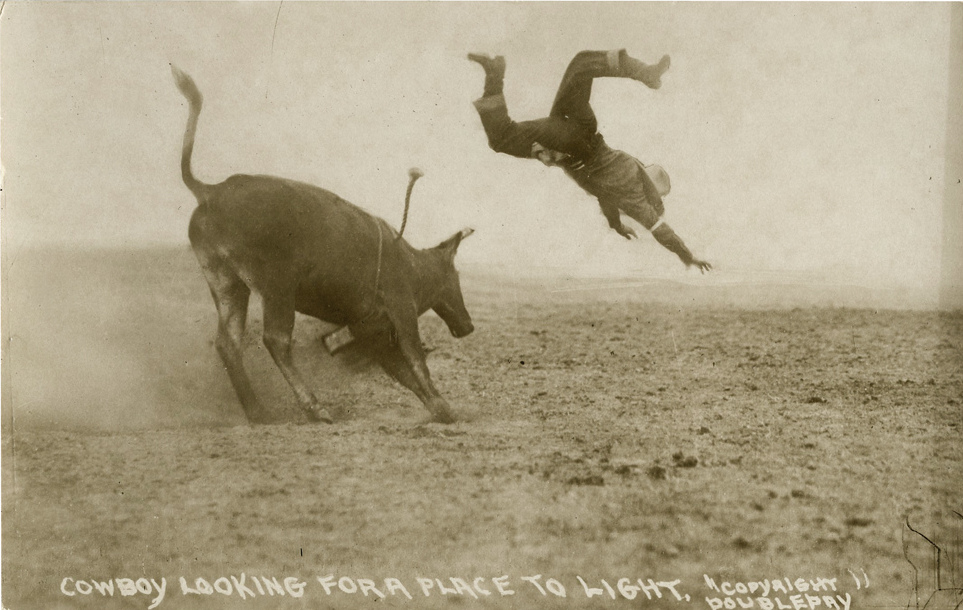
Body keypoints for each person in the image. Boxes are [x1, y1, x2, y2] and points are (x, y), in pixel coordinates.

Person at [469, 50, 712, 273]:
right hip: (575, 144)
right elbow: (660, 231)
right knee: (502, 139)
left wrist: (615, 224)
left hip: (580, 128)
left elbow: (606, 198)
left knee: (581, 64)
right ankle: (494, 75)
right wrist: (687, 257)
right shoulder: (636, 199)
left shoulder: (629, 170)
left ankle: (645, 73)